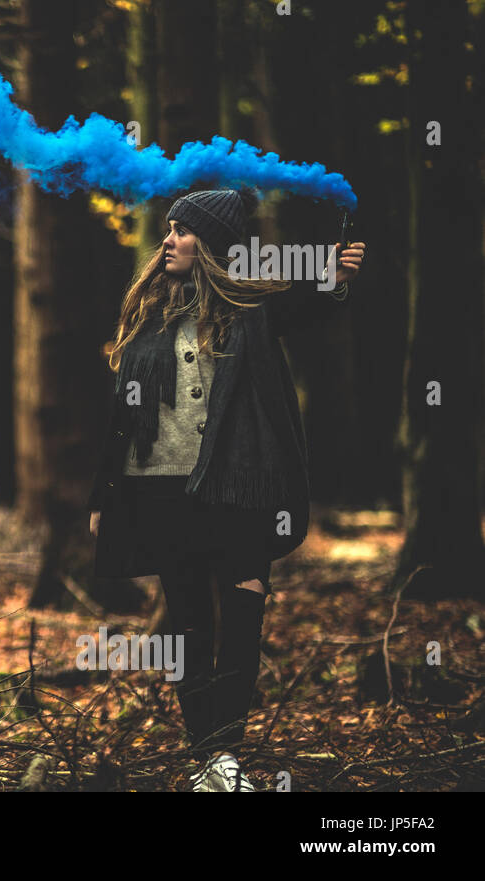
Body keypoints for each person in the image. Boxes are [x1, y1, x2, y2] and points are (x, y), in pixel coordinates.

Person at [86, 189, 365, 791]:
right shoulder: (147, 316)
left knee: (242, 620)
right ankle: (206, 759)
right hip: (159, 490)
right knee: (188, 628)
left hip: (240, 491)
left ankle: (225, 759)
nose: (168, 240)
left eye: (182, 231)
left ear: (209, 246)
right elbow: (120, 417)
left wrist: (336, 275)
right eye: (168, 229)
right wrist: (102, 498)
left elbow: (314, 304)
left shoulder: (255, 314)